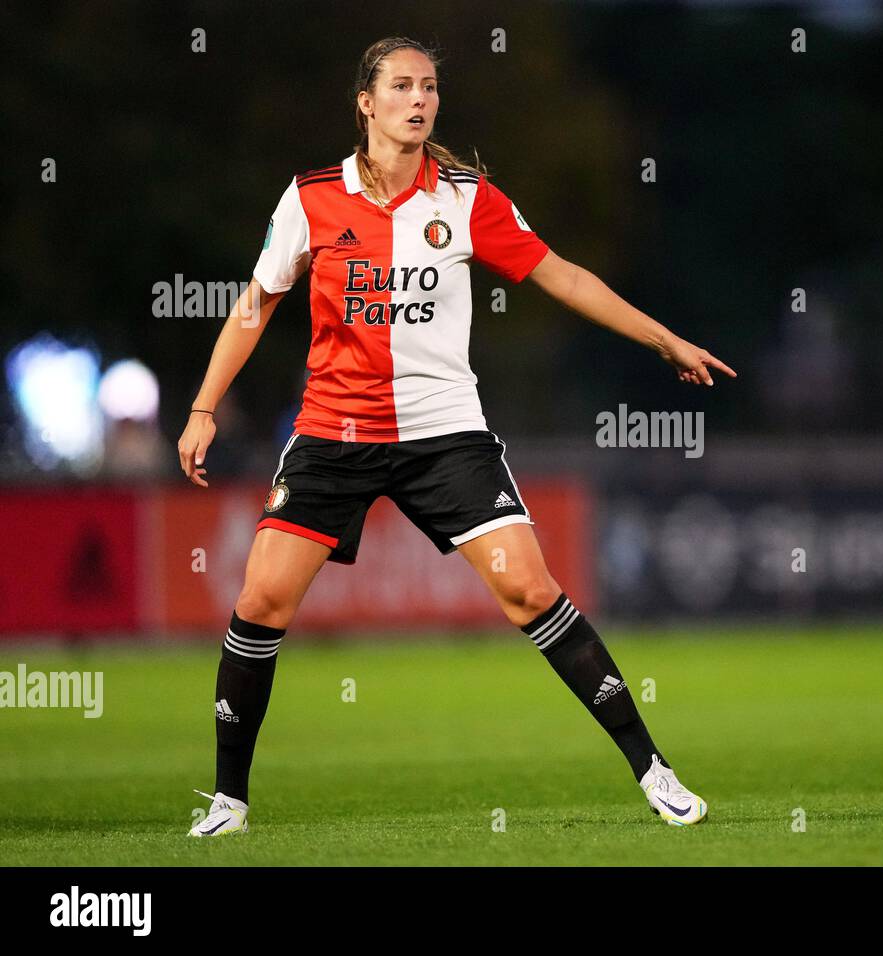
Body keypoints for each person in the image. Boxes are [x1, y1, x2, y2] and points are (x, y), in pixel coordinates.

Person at [176, 36, 735, 836]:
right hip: (333, 433)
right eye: (402, 86)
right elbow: (256, 303)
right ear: (366, 103)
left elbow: (561, 274)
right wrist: (203, 408)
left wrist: (665, 339)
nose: (419, 100)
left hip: (445, 434)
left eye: (429, 87)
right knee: (260, 600)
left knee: (530, 591)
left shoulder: (467, 197)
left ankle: (656, 772)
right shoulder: (309, 200)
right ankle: (229, 800)